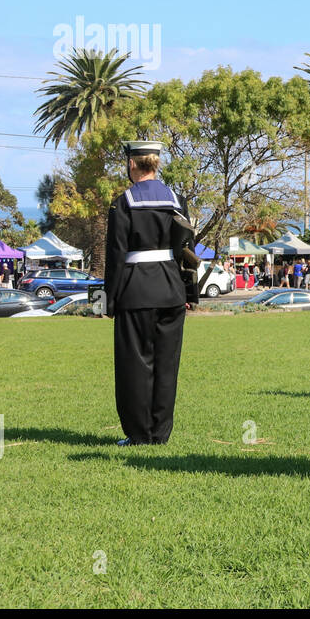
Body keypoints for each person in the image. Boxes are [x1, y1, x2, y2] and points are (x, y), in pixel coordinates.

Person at [104, 140, 198, 446]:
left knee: (135, 365)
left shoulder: (123, 203)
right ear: (155, 163)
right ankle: (160, 434)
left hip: (135, 292)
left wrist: (109, 300)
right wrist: (191, 293)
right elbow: (187, 251)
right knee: (166, 365)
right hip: (171, 291)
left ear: (132, 164)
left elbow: (116, 255)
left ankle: (139, 434)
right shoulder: (177, 200)